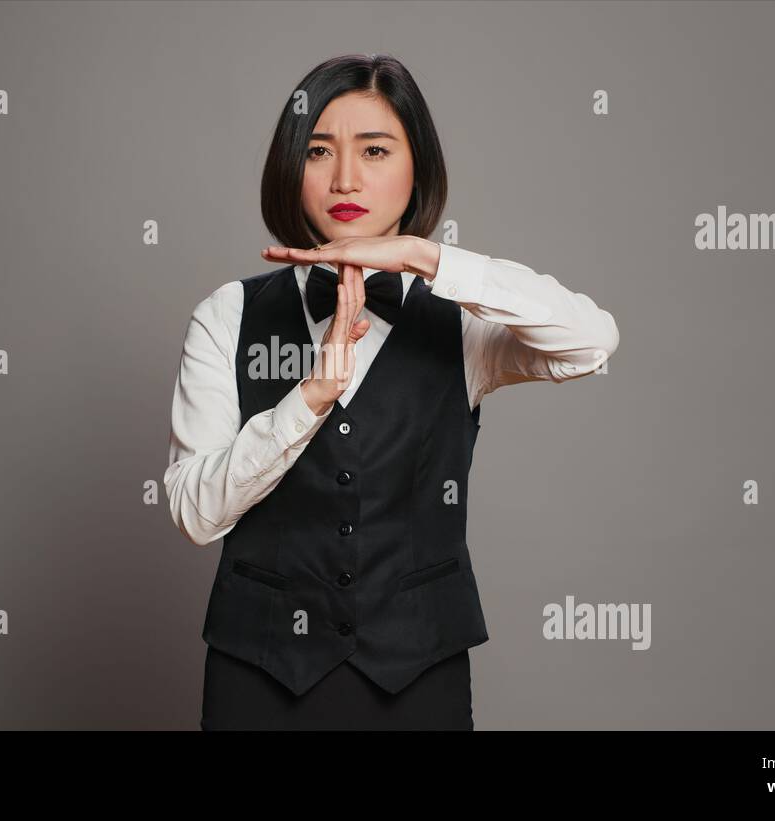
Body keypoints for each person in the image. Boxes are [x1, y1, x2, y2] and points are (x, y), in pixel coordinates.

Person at [164, 54, 620, 730]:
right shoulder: (227, 316)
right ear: (291, 167)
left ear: (418, 170)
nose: (345, 177)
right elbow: (195, 512)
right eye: (319, 151)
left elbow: (592, 340)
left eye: (375, 150)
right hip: (257, 675)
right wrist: (310, 397)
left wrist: (424, 257)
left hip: (417, 681)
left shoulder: (463, 324)